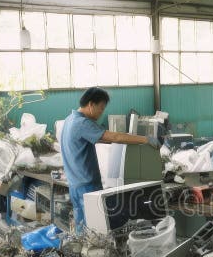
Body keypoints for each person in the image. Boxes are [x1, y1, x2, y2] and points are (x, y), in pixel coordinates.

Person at [60, 87, 160, 232]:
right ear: (91, 104)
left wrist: (127, 138)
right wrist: (145, 139)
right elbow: (114, 137)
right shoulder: (82, 123)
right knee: (96, 230)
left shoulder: (70, 120)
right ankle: (94, 253)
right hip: (87, 185)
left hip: (75, 184)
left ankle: (81, 251)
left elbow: (106, 139)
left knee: (82, 226)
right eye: (101, 108)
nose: (101, 113)